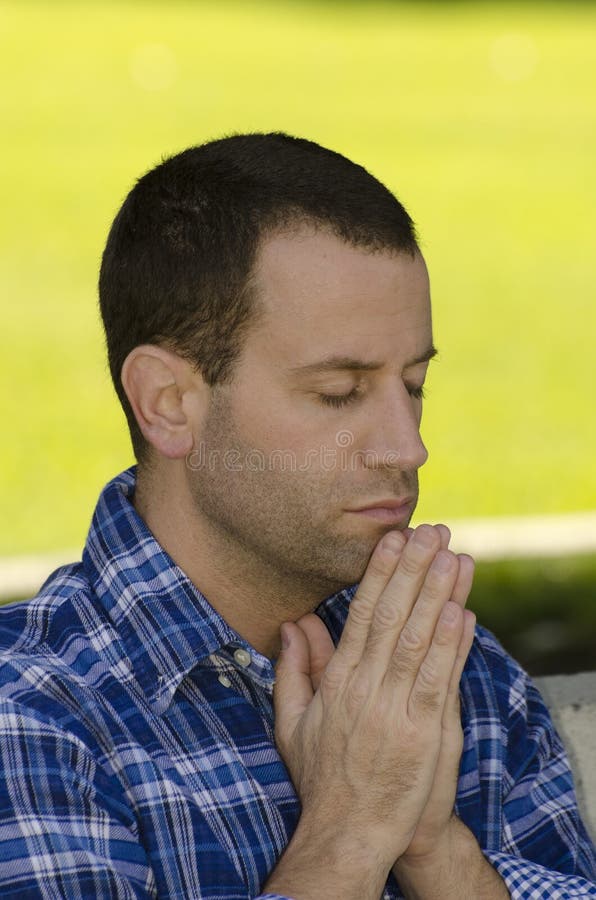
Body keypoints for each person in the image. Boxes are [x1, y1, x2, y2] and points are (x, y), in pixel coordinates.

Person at [0, 133, 594, 900]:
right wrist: (351, 832)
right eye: (339, 393)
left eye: (413, 383)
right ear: (168, 403)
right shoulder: (30, 721)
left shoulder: (461, 678)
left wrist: (433, 849)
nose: (407, 448)